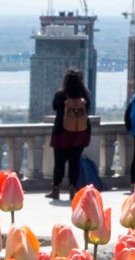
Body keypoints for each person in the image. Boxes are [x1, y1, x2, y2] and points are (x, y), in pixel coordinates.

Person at [47, 69, 91, 200]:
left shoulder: (61, 94)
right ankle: (72, 188)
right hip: (80, 133)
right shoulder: (85, 95)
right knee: (74, 162)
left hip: (62, 133)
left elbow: (55, 107)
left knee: (59, 163)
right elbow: (88, 109)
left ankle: (56, 189)